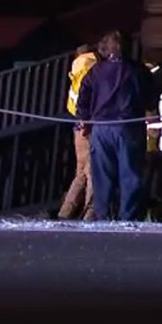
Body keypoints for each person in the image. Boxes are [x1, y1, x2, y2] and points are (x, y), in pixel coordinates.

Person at [75, 31, 156, 221]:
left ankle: (103, 216)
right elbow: (150, 98)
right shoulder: (138, 71)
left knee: (102, 175)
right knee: (130, 174)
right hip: (128, 127)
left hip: (101, 128)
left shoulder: (96, 71)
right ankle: (128, 217)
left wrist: (84, 119)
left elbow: (83, 96)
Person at [56, 44, 98, 220]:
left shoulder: (77, 71)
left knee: (81, 171)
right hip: (93, 124)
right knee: (93, 171)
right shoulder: (93, 68)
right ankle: (90, 213)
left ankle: (66, 212)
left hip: (78, 125)